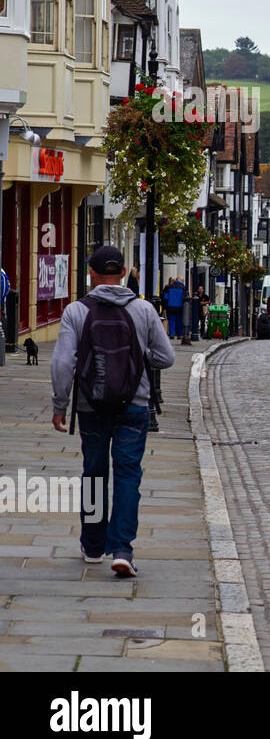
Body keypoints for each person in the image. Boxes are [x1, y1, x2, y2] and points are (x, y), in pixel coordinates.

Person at [50, 246, 175, 578]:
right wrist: (140, 356)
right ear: (123, 273)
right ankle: (122, 550)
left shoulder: (76, 311)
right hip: (134, 404)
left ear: (91, 273)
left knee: (93, 473)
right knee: (128, 475)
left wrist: (59, 405)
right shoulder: (144, 310)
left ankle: (92, 546)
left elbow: (63, 362)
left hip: (90, 405)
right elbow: (167, 357)